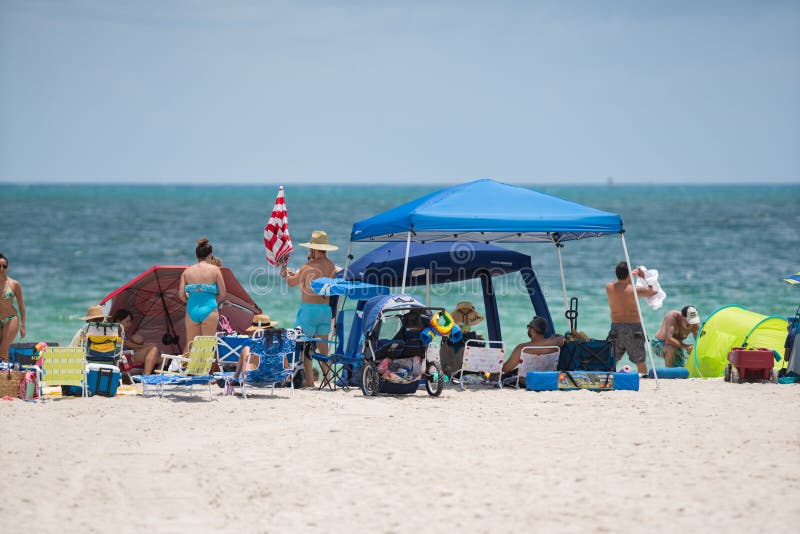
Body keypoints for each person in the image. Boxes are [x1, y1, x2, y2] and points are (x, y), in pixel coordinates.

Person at [280, 230, 338, 388]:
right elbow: (311, 285)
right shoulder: (332, 266)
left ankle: (311, 382)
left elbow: (291, 283)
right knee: (323, 350)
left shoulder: (308, 266)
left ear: (314, 249)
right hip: (325, 310)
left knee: (305, 347)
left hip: (309, 311)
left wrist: (286, 274)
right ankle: (327, 382)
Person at [605, 261, 658, 374]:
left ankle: (609, 379)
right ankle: (643, 380)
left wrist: (629, 275)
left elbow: (618, 283)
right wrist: (645, 277)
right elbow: (652, 292)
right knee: (640, 361)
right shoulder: (635, 290)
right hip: (634, 328)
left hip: (616, 327)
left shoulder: (609, 288)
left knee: (613, 359)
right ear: (628, 275)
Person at [178, 238, 227, 343]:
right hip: (209, 308)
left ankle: (187, 360)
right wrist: (214, 303)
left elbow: (181, 295)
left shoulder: (187, 272)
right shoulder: (215, 270)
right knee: (207, 345)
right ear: (210, 255)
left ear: (197, 256)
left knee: (190, 344)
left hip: (192, 309)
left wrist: (189, 302)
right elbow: (223, 294)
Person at [501, 316, 566, 384]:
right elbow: (563, 338)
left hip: (526, 381)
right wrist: (554, 337)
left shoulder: (522, 348)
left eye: (528, 326)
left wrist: (496, 366)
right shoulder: (557, 342)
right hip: (547, 379)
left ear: (532, 330)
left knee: (502, 376)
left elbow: (506, 368)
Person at [231, 314, 282, 380]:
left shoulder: (250, 342)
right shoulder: (279, 342)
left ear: (256, 329)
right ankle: (236, 376)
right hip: (274, 376)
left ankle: (236, 376)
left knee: (246, 349)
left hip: (253, 377)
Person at [111, 309, 161, 375]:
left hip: (129, 355)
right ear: (118, 321)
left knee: (163, 359)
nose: (130, 324)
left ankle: (155, 377)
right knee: (153, 349)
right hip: (124, 357)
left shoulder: (124, 334)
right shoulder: (115, 332)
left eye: (130, 322)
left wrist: (134, 339)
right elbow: (126, 344)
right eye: (127, 321)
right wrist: (145, 346)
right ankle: (146, 375)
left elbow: (131, 343)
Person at [0, 253, 25, 360]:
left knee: (3, 349)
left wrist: (23, 325)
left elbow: (21, 305)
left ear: (7, 268)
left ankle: (3, 374)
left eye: (4, 266)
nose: (1, 268)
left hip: (10, 318)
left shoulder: (14, 284)